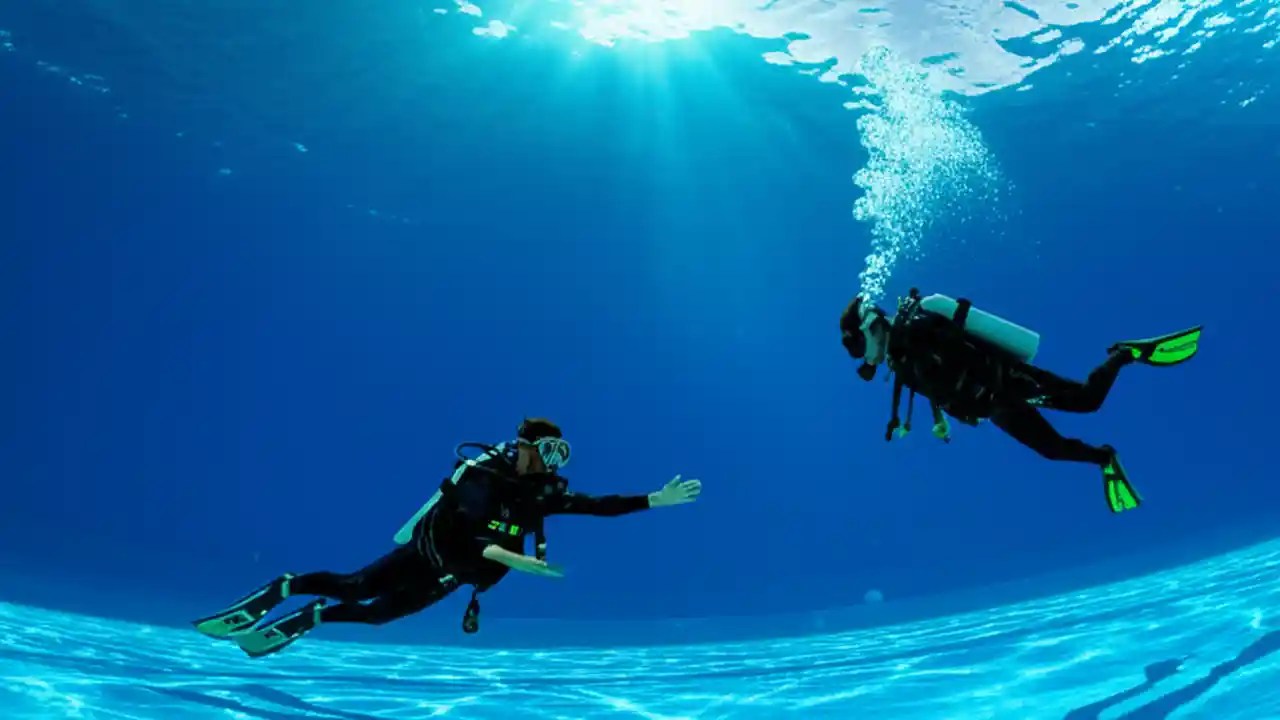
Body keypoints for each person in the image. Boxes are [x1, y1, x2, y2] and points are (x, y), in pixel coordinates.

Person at [192, 417, 702, 657]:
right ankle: (282, 588)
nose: (551, 463)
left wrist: (654, 500)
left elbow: (596, 506)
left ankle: (311, 616)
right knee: (354, 586)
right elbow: (467, 531)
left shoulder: (536, 495)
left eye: (560, 455)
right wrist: (514, 560)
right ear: (523, 446)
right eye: (547, 450)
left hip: (452, 579)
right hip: (429, 555)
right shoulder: (483, 476)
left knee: (375, 616)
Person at [839, 288, 1202, 514]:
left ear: (869, 326)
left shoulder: (915, 327)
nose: (862, 356)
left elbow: (955, 353)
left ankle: (1125, 354)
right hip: (995, 408)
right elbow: (937, 388)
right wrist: (946, 418)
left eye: (856, 346)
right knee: (1053, 449)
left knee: (1088, 401)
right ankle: (1104, 458)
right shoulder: (900, 364)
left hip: (1009, 382)